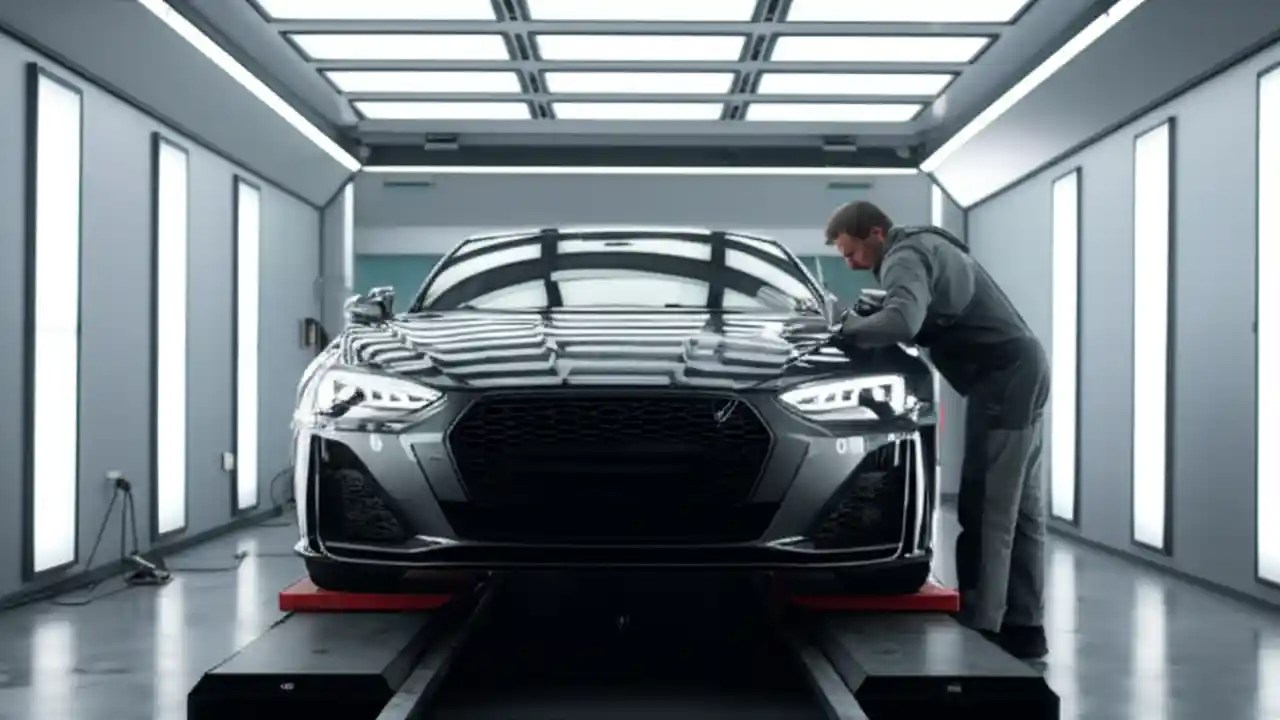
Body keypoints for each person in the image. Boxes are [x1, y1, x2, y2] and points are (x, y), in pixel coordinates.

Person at [826, 200, 1051, 660]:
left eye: (851, 253)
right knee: (1022, 511)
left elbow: (901, 322)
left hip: (1002, 380)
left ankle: (982, 630)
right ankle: (1026, 628)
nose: (850, 264)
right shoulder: (928, 243)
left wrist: (848, 327)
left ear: (874, 233)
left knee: (987, 505)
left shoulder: (903, 256)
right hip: (1026, 366)